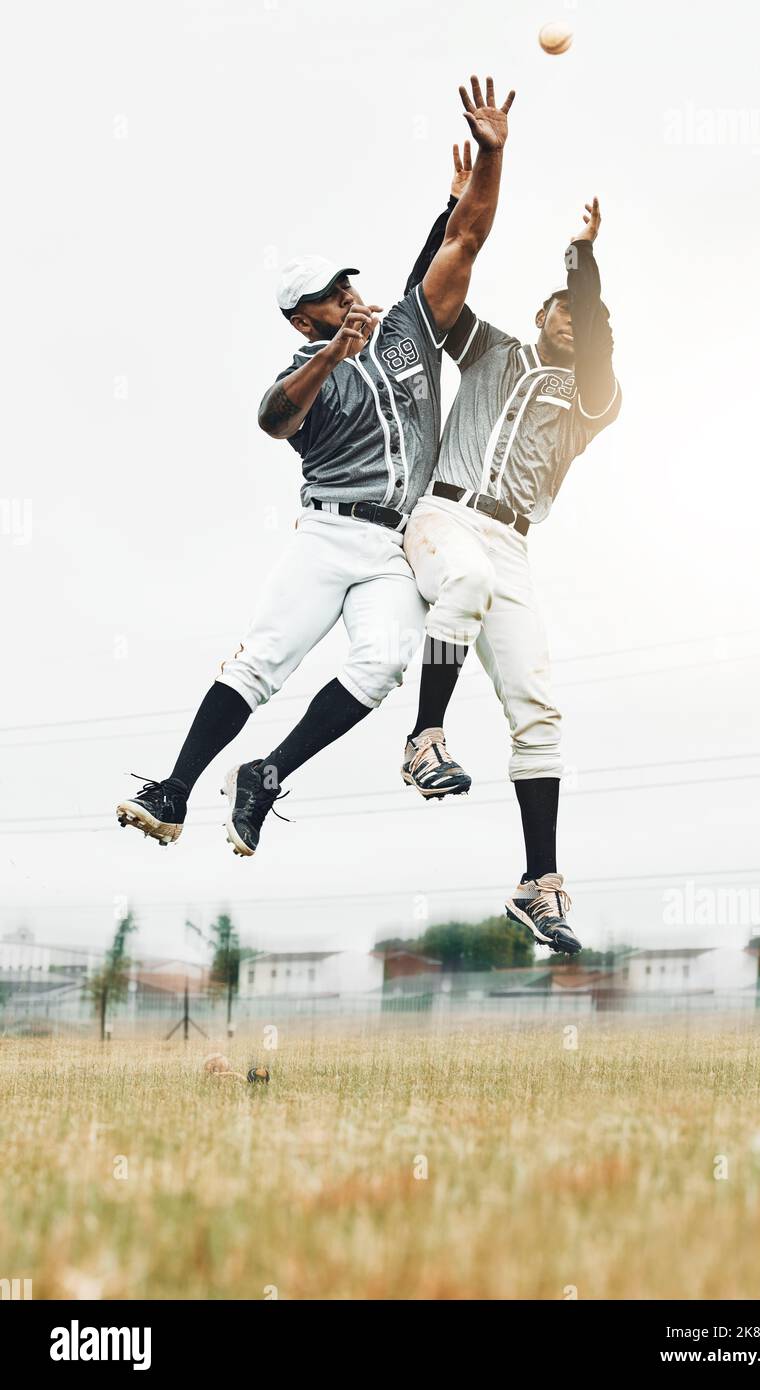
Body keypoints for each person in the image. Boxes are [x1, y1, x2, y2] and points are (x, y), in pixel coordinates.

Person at [116, 75, 515, 857]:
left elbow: (464, 237)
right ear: (304, 318)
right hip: (328, 537)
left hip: (391, 547)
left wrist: (494, 157)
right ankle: (174, 791)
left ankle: (266, 773)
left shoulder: (404, 329)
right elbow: (273, 421)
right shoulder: (310, 364)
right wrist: (334, 349)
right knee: (262, 662)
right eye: (330, 297)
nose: (348, 296)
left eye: (347, 284)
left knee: (384, 663)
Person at [401, 194, 621, 953]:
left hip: (514, 542)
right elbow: (423, 304)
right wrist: (452, 211)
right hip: (445, 513)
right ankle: (425, 736)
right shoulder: (493, 349)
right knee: (461, 581)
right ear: (536, 314)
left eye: (585, 315)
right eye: (560, 308)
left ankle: (539, 884)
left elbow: (592, 327)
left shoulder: (594, 396)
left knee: (539, 710)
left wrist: (580, 256)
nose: (572, 318)